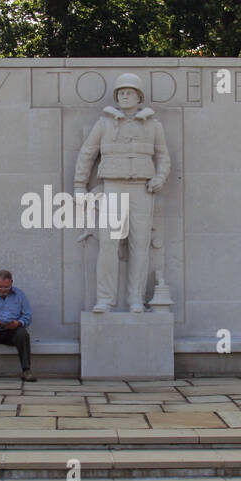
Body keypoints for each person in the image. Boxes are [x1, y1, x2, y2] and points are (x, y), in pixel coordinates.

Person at [73, 72, 171, 312]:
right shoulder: (104, 124)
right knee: (108, 244)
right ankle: (105, 299)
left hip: (142, 190)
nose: (125, 96)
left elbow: (163, 156)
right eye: (121, 92)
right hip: (113, 188)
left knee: (140, 244)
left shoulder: (154, 126)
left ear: (139, 96)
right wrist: (79, 185)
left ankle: (136, 299)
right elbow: (87, 154)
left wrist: (160, 177)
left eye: (130, 92)